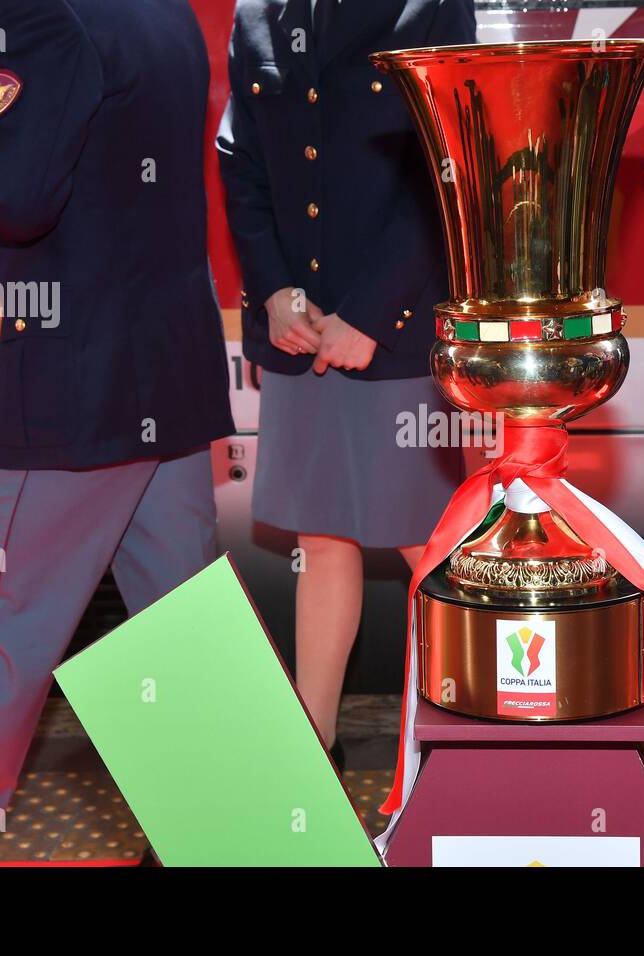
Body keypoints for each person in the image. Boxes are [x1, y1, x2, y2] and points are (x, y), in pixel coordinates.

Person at [0, 0, 234, 866]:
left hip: (75, 398)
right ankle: (224, 840)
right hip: (168, 383)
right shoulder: (162, 9)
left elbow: (14, 195)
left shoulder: (40, 13)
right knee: (188, 638)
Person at [216, 0, 474, 764]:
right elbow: (242, 162)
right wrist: (275, 292)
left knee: (427, 546)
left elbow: (447, 164)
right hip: (298, 329)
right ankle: (311, 753)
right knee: (321, 538)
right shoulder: (257, 15)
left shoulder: (430, 7)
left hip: (396, 330)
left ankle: (463, 749)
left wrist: (370, 315)